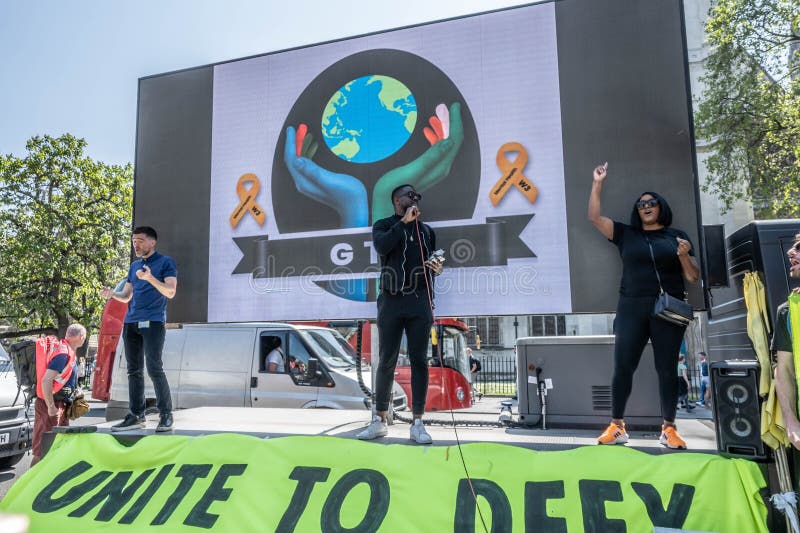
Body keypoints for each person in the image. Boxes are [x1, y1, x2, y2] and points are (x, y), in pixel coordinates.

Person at [588, 162, 700, 449]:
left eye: (651, 203)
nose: (646, 206)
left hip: (667, 308)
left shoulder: (677, 236)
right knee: (623, 366)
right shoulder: (627, 234)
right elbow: (594, 217)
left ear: (660, 207)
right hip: (631, 307)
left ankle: (669, 429)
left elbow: (692, 276)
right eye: (641, 204)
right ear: (637, 212)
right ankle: (617, 426)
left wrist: (684, 254)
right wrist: (597, 182)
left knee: (667, 369)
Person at [357, 184, 443, 443]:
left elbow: (431, 263)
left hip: (419, 301)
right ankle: (379, 419)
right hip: (392, 301)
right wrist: (403, 223)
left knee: (419, 360)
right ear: (397, 200)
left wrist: (436, 268)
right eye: (409, 194)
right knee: (387, 359)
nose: (414, 198)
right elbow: (383, 248)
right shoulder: (383, 225)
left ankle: (418, 422)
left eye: (417, 195)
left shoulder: (427, 231)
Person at [101, 226, 177, 432]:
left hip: (153, 322)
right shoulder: (134, 266)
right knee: (133, 371)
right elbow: (126, 296)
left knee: (154, 368)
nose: (136, 244)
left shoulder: (165, 262)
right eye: (134, 240)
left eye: (141, 240)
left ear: (153, 242)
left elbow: (170, 292)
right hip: (131, 322)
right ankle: (136, 415)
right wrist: (112, 294)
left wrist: (151, 278)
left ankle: (166, 415)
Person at [32, 324, 86, 466]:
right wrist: (51, 407)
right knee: (43, 450)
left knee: (56, 448)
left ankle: (45, 484)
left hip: (58, 404)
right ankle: (31, 485)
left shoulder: (67, 350)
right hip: (51, 405)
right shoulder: (64, 354)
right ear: (81, 337)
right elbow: (46, 380)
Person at [772, 233, 800, 449]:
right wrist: (791, 422)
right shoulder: (788, 311)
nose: (791, 252)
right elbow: (784, 371)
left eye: (799, 247)